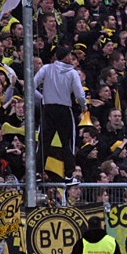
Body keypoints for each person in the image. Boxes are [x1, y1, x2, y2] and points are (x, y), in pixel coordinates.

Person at [34, 45, 88, 181]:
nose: (72, 58)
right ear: (65, 57)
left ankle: (38, 172)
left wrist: (42, 97)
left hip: (48, 109)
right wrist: (84, 105)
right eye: (70, 56)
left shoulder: (46, 68)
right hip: (64, 110)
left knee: (44, 142)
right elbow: (79, 94)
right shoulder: (72, 73)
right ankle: (69, 174)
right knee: (67, 142)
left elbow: (31, 85)